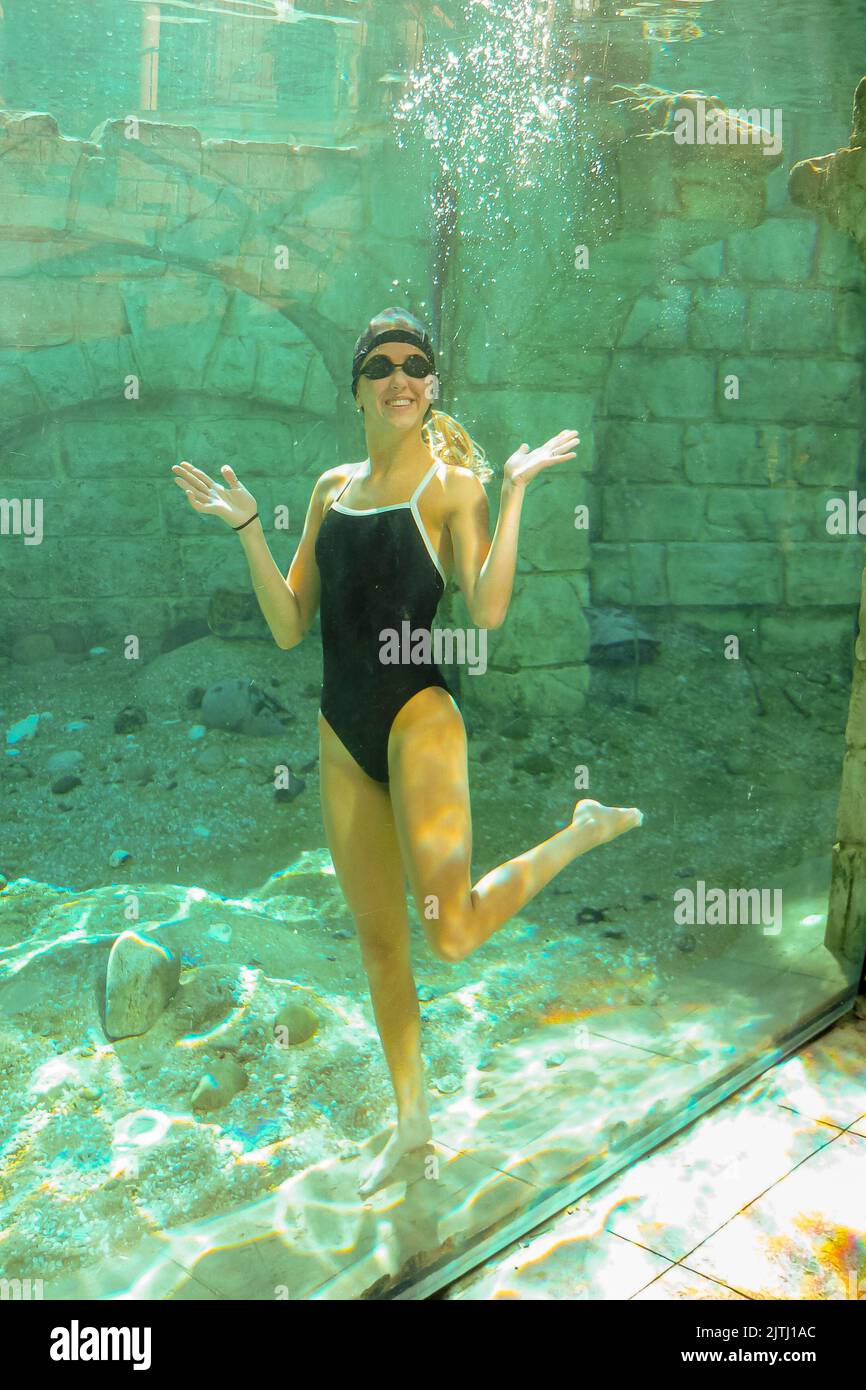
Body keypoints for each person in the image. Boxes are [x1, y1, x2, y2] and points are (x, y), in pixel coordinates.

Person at [172, 306, 643, 1198]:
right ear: (356, 386)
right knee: (382, 946)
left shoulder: (452, 484)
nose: (401, 379)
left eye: (416, 366)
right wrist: (245, 529)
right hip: (340, 727)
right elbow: (286, 627)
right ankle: (414, 1128)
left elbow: (490, 609)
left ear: (432, 384)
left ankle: (579, 833)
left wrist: (513, 493)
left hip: (419, 714)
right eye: (382, 366)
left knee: (451, 932)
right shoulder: (329, 488)